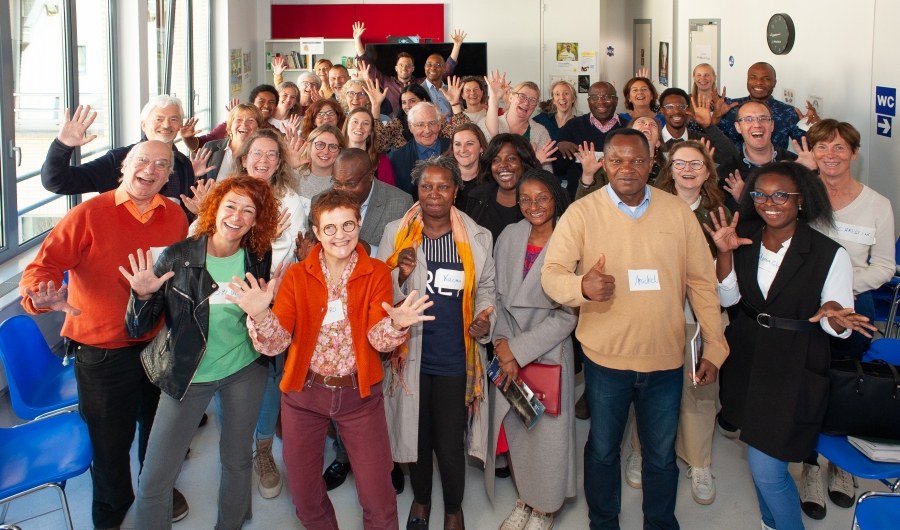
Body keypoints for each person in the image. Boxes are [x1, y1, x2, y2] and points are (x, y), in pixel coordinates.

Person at [541, 128, 729, 530]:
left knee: (660, 456)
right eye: (617, 160)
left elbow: (702, 283)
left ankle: (659, 523)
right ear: (604, 164)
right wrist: (582, 287)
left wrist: (715, 346)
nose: (627, 169)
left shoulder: (677, 211)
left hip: (665, 360)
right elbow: (551, 275)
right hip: (605, 361)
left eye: (637, 160)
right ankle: (603, 522)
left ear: (652, 163)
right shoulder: (582, 213)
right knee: (603, 451)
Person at [21, 140, 190, 530]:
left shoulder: (175, 216)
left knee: (159, 434)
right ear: (123, 167)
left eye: (161, 164)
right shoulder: (87, 214)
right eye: (142, 160)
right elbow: (40, 270)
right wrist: (43, 295)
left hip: (156, 344)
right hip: (102, 352)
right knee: (110, 447)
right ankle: (113, 516)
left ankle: (156, 491)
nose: (150, 169)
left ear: (168, 176)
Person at [245, 188, 432, 529]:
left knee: (379, 497)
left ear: (359, 224)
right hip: (303, 396)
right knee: (304, 496)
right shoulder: (297, 276)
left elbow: (378, 340)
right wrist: (261, 316)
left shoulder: (376, 272)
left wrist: (396, 325)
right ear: (316, 232)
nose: (340, 235)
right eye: (329, 228)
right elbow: (276, 343)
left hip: (360, 398)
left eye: (348, 225)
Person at [707, 161, 875, 530]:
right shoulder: (742, 237)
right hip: (747, 357)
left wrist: (834, 315)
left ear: (801, 200)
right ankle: (770, 523)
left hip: (795, 364)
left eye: (781, 195)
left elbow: (835, 325)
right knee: (758, 456)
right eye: (761, 194)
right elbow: (729, 299)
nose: (770, 203)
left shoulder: (829, 253)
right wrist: (724, 254)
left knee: (766, 468)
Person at [123, 176, 281, 529]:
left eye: (248, 210)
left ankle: (232, 523)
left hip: (244, 368)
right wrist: (142, 296)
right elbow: (136, 328)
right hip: (187, 373)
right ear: (214, 209)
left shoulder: (259, 254)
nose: (237, 216)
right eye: (230, 206)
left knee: (237, 460)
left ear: (257, 220)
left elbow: (259, 310)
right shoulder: (177, 256)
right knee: (154, 478)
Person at [376, 156, 496, 530]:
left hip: (456, 357)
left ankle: (454, 508)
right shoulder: (396, 233)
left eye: (443, 186)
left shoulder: (477, 237)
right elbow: (378, 292)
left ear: (455, 191)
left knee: (449, 443)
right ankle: (423, 499)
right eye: (426, 186)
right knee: (417, 436)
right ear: (417, 190)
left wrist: (484, 320)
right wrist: (400, 273)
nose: (434, 194)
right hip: (410, 356)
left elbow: (487, 288)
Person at [619, 140, 731, 505]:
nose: (687, 170)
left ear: (708, 171)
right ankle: (641, 451)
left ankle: (699, 463)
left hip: (698, 319)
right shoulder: (649, 206)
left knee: (699, 392)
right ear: (669, 169)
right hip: (654, 314)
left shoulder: (719, 213)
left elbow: (725, 280)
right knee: (647, 389)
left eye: (696, 164)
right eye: (680, 163)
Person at [796, 120, 896, 519]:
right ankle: (809, 466)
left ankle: (840, 465)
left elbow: (885, 266)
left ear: (854, 153)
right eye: (822, 147)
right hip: (805, 305)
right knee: (807, 386)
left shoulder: (877, 205)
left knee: (847, 386)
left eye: (839, 147)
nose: (830, 155)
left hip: (855, 307)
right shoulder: (802, 195)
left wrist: (840, 290)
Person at [305, 148, 413, 490]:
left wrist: (364, 250)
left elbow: (402, 259)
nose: (343, 190)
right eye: (337, 182)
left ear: (371, 176)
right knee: (340, 386)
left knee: (375, 394)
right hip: (334, 319)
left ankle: (385, 459)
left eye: (351, 183)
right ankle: (343, 456)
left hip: (380, 310)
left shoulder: (400, 202)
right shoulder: (322, 202)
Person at [489, 168, 577, 530]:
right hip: (508, 348)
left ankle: (545, 508)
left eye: (542, 197)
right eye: (525, 199)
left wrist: (516, 351)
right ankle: (525, 498)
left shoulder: (570, 240)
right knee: (518, 431)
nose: (533, 205)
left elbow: (568, 316)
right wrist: (501, 344)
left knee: (548, 438)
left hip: (547, 353)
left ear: (556, 197)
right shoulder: (510, 235)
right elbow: (495, 295)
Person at [225, 130, 309, 500]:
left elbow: (290, 254)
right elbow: (210, 242)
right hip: (227, 301)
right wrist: (264, 235)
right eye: (257, 153)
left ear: (280, 162)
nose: (263, 160)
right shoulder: (225, 194)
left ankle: (262, 448)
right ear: (243, 158)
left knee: (270, 375)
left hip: (273, 303)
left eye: (272, 154)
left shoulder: (291, 199)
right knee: (229, 375)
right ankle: (234, 451)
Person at [41, 98, 198, 217]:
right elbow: (57, 181)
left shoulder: (183, 163)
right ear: (144, 125)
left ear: (180, 125)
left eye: (173, 119)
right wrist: (62, 146)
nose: (166, 125)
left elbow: (185, 212)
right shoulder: (120, 159)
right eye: (159, 119)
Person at [352, 21, 465, 111]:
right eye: (401, 65)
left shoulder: (420, 84)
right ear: (396, 68)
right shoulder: (386, 82)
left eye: (408, 65)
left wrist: (456, 46)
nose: (404, 68)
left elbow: (445, 70)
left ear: (412, 68)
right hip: (392, 127)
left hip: (416, 126)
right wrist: (357, 40)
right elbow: (368, 67)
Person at [716, 62, 821, 150]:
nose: (759, 82)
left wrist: (813, 128)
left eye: (766, 78)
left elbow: (808, 148)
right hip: (735, 167)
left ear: (774, 83)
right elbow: (713, 143)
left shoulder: (787, 112)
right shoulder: (731, 107)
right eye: (753, 77)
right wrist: (715, 118)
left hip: (775, 167)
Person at [717, 101, 799, 212]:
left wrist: (810, 173)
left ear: (772, 125)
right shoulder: (727, 173)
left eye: (763, 119)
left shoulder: (794, 163)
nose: (757, 125)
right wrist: (740, 202)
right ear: (738, 127)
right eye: (748, 119)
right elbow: (724, 217)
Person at [463, 133, 542, 242]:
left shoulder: (541, 201)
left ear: (524, 163)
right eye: (496, 160)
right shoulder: (476, 197)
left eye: (511, 159)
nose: (503, 165)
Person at [554, 82, 623, 196]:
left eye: (607, 97)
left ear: (616, 100)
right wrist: (559, 148)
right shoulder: (572, 126)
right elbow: (559, 170)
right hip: (579, 198)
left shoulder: (628, 128)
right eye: (594, 97)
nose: (600, 101)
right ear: (588, 101)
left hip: (619, 198)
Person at [574, 115, 665, 199]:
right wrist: (588, 175)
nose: (647, 125)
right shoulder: (607, 165)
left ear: (658, 142)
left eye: (653, 125)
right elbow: (585, 206)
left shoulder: (667, 170)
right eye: (641, 122)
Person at [183, 84, 279, 150]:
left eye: (271, 102)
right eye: (261, 101)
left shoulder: (275, 133)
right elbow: (201, 145)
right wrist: (187, 138)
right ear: (252, 103)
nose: (266, 105)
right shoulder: (233, 125)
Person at [482, 74, 554, 161]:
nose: (526, 103)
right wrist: (494, 98)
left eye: (532, 100)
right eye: (522, 96)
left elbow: (546, 168)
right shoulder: (485, 124)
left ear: (535, 106)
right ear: (511, 97)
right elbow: (485, 153)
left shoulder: (541, 133)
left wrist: (536, 164)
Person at [658, 87, 736, 166]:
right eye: (670, 107)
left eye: (681, 106)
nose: (676, 111)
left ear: (688, 109)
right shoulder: (655, 140)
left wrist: (709, 126)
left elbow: (733, 156)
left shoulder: (701, 141)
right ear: (661, 110)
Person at [389, 102, 452, 194]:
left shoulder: (454, 148)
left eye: (432, 123)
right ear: (410, 127)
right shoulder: (398, 158)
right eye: (420, 125)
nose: (427, 130)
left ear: (439, 125)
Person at [191, 103, 264, 183]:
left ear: (258, 127)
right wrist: (194, 175)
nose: (244, 124)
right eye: (239, 119)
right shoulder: (211, 147)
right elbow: (194, 185)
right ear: (230, 124)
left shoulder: (261, 154)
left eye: (250, 120)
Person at [343, 107, 396, 185]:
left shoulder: (382, 162)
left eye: (365, 123)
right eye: (355, 122)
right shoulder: (333, 156)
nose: (359, 127)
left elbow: (390, 191)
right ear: (347, 125)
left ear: (370, 131)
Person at [296, 124, 346, 199]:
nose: (326, 152)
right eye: (320, 145)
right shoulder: (293, 175)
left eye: (333, 147)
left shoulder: (344, 185)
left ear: (340, 151)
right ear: (309, 146)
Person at [444, 123, 489, 206]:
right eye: (457, 144)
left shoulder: (492, 179)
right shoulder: (442, 177)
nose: (463, 150)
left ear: (481, 148)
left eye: (469, 144)